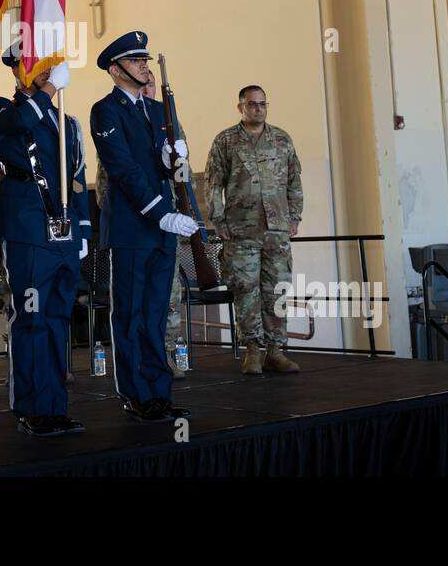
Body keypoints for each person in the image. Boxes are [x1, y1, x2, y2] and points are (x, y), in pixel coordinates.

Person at [90, 30, 196, 422]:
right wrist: (159, 213)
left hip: (161, 227)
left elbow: (164, 168)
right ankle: (134, 393)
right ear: (116, 70)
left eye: (146, 61)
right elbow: (123, 169)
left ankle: (158, 391)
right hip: (134, 227)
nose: (145, 68)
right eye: (136, 62)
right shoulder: (105, 111)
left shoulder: (156, 112)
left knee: (153, 313)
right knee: (131, 313)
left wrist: (175, 159)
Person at [0, 42, 89, 437]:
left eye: (49, 64)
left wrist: (82, 230)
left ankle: (54, 406)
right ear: (16, 70)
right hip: (26, 225)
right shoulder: (1, 108)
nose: (46, 70)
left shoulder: (67, 121)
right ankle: (30, 406)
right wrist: (47, 93)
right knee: (31, 318)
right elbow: (16, 127)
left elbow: (74, 181)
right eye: (35, 65)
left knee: (59, 318)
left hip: (62, 231)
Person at [204, 85, 303, 377]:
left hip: (277, 230)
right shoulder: (226, 141)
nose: (258, 109)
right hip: (241, 230)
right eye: (252, 104)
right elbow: (212, 183)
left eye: (262, 104)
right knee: (246, 291)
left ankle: (276, 351)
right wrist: (219, 221)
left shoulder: (282, 140)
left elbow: (294, 181)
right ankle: (252, 351)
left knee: (277, 291)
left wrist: (294, 216)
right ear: (240, 107)